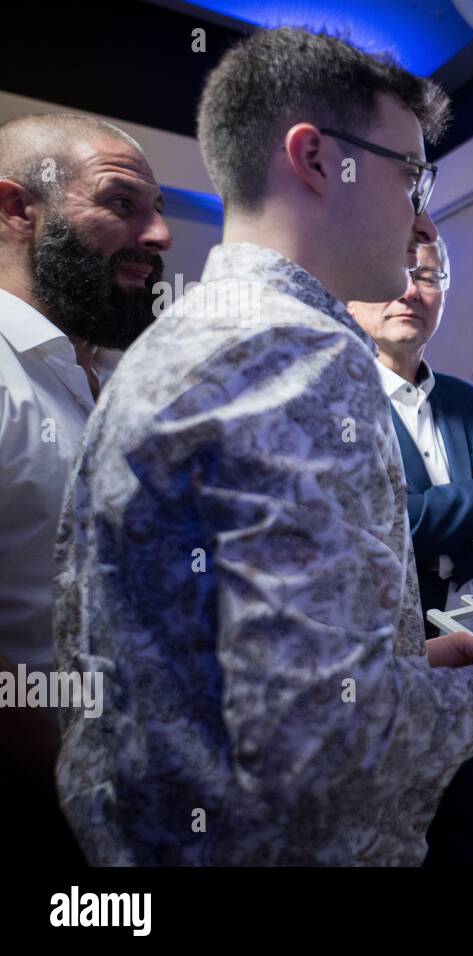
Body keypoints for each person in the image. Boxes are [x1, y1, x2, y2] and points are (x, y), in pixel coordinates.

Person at [53, 27, 473, 866]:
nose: (419, 215)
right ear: (315, 158)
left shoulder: (189, 333)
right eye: (410, 175)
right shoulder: (296, 348)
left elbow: (235, 679)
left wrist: (405, 665)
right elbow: (320, 746)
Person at [0, 112, 171, 866]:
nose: (161, 235)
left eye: (159, 210)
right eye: (122, 204)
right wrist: (87, 811)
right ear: (15, 210)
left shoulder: (87, 387)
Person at [348, 235, 473, 866]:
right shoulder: (337, 400)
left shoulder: (467, 401)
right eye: (395, 272)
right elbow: (374, 531)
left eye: (429, 276)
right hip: (399, 669)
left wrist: (433, 515)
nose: (411, 289)